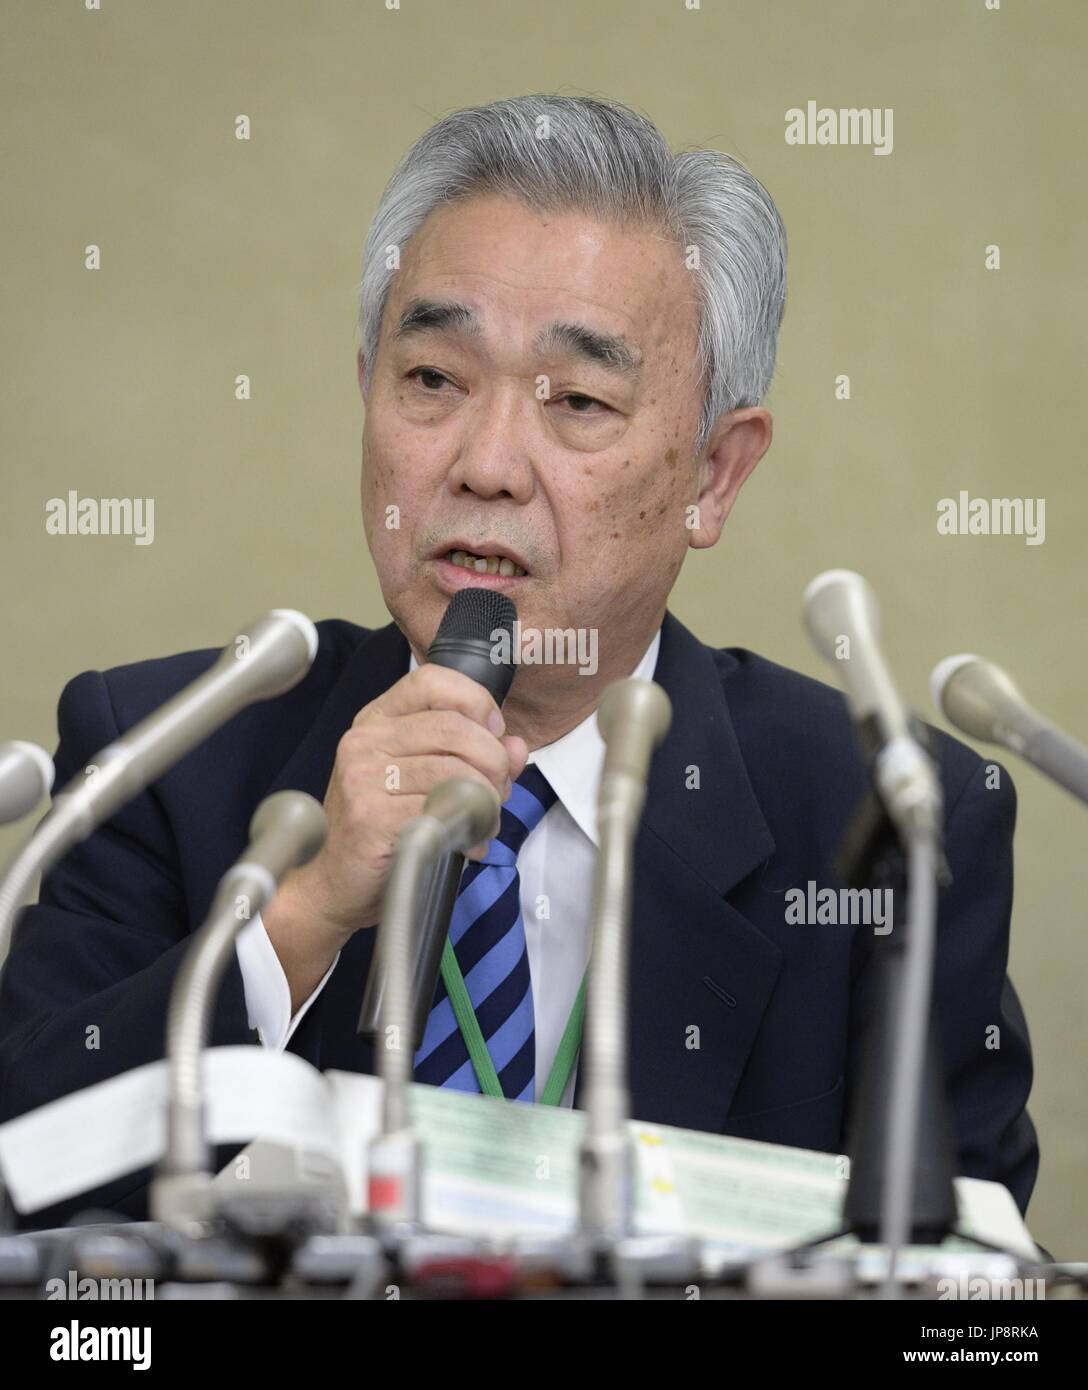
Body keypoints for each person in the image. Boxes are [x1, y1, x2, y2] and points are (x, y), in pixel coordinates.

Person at [0, 94, 1037, 1227]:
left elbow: (957, 1296)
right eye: (433, 380)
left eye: (578, 400)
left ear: (713, 474)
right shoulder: (165, 753)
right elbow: (24, 1184)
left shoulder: (881, 824)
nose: (485, 462)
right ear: (367, 392)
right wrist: (299, 922)